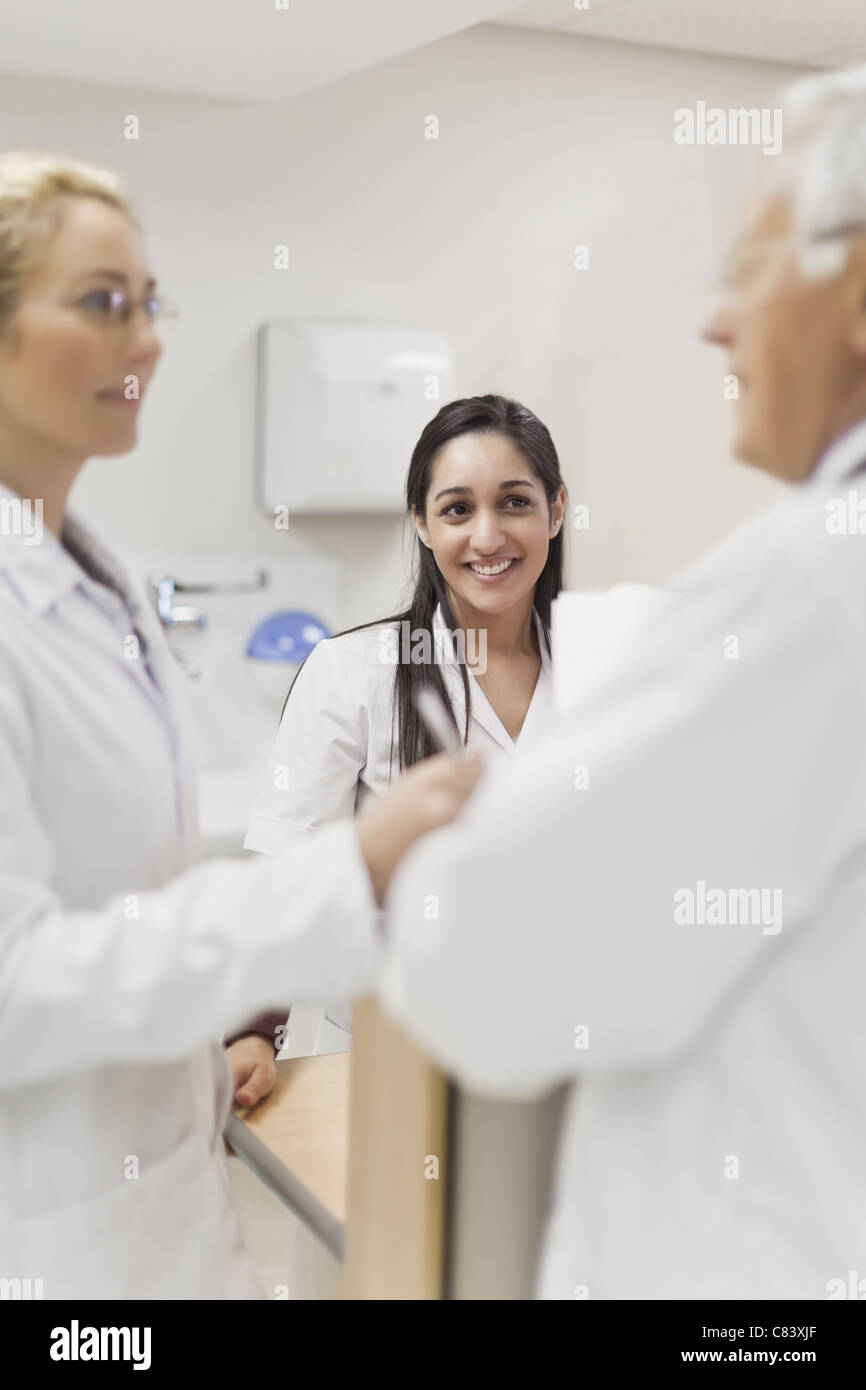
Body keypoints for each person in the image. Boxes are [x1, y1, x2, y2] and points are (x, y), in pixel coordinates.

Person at [375, 65, 866, 1299]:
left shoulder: (807, 588)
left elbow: (488, 972)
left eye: (744, 268)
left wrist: (426, 869)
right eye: (453, 509)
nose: (713, 323)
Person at [0, 151, 480, 1299]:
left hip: (159, 1208)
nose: (148, 339)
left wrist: (205, 1052)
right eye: (102, 302)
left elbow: (128, 910)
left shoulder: (92, 581)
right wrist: (344, 869)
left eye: (150, 302)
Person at [240, 393, 566, 1068]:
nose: (486, 537)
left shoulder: (604, 670)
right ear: (421, 523)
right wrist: (249, 1033)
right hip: (376, 1063)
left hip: (549, 1049)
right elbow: (283, 885)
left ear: (556, 509)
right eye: (456, 509)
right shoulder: (351, 673)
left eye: (514, 502)